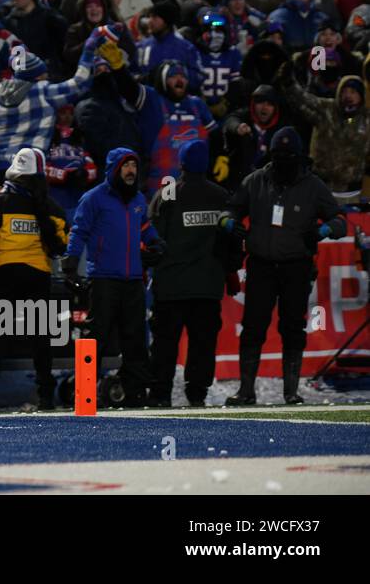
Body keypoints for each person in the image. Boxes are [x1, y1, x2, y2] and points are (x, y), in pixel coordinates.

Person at [219, 127, 345, 405]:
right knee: (253, 327)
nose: (282, 160)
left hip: (296, 268)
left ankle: (291, 391)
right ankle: (246, 390)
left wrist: (325, 231)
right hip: (261, 265)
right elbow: (232, 207)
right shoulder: (255, 181)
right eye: (277, 155)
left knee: (292, 328)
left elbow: (340, 220)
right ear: (270, 155)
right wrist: (228, 221)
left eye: (288, 155)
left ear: (298, 156)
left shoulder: (313, 186)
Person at [64, 148, 163, 407]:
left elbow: (145, 228)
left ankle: (135, 395)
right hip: (104, 280)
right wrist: (71, 261)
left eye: (134, 165)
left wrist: (156, 243)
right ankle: (84, 395)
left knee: (135, 340)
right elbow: (79, 231)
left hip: (133, 281)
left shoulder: (139, 199)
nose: (131, 171)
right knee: (95, 337)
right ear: (113, 169)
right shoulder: (94, 198)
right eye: (126, 166)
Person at [147, 140, 238, 407]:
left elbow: (152, 238)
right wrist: (231, 272)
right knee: (202, 344)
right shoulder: (221, 196)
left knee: (164, 345)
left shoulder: (167, 194)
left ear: (182, 163)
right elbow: (232, 240)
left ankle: (160, 395)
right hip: (207, 286)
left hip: (170, 286)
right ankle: (197, 394)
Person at [0, 147, 70, 410]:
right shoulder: (50, 206)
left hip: (2, 272)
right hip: (37, 274)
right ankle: (45, 396)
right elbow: (61, 245)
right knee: (41, 339)